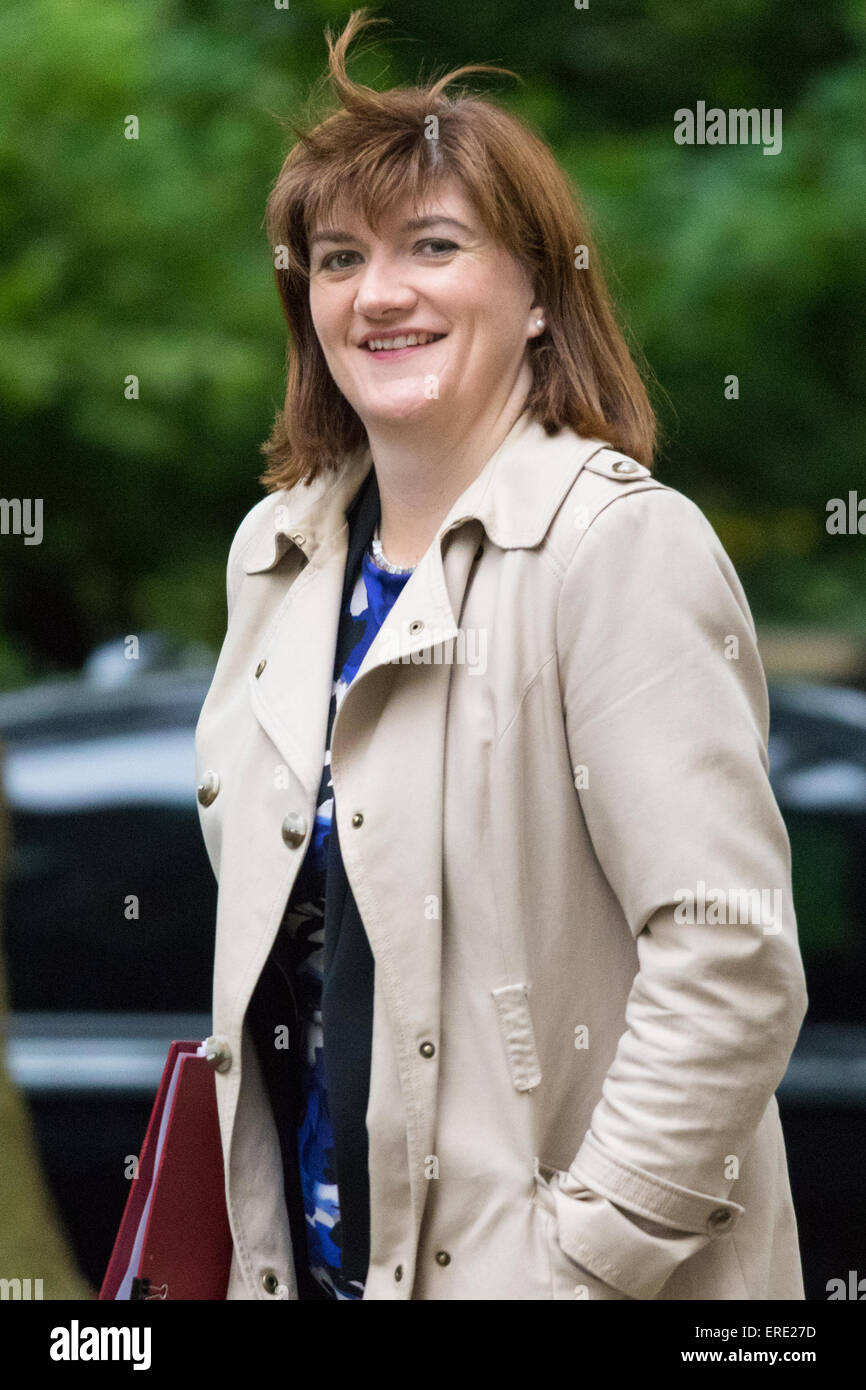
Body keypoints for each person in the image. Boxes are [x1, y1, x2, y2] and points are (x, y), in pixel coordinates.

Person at [194, 9, 808, 1300]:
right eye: (338, 256)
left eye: (433, 245)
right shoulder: (279, 554)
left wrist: (572, 1265)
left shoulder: (618, 551)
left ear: (537, 290)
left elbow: (729, 955)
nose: (380, 291)